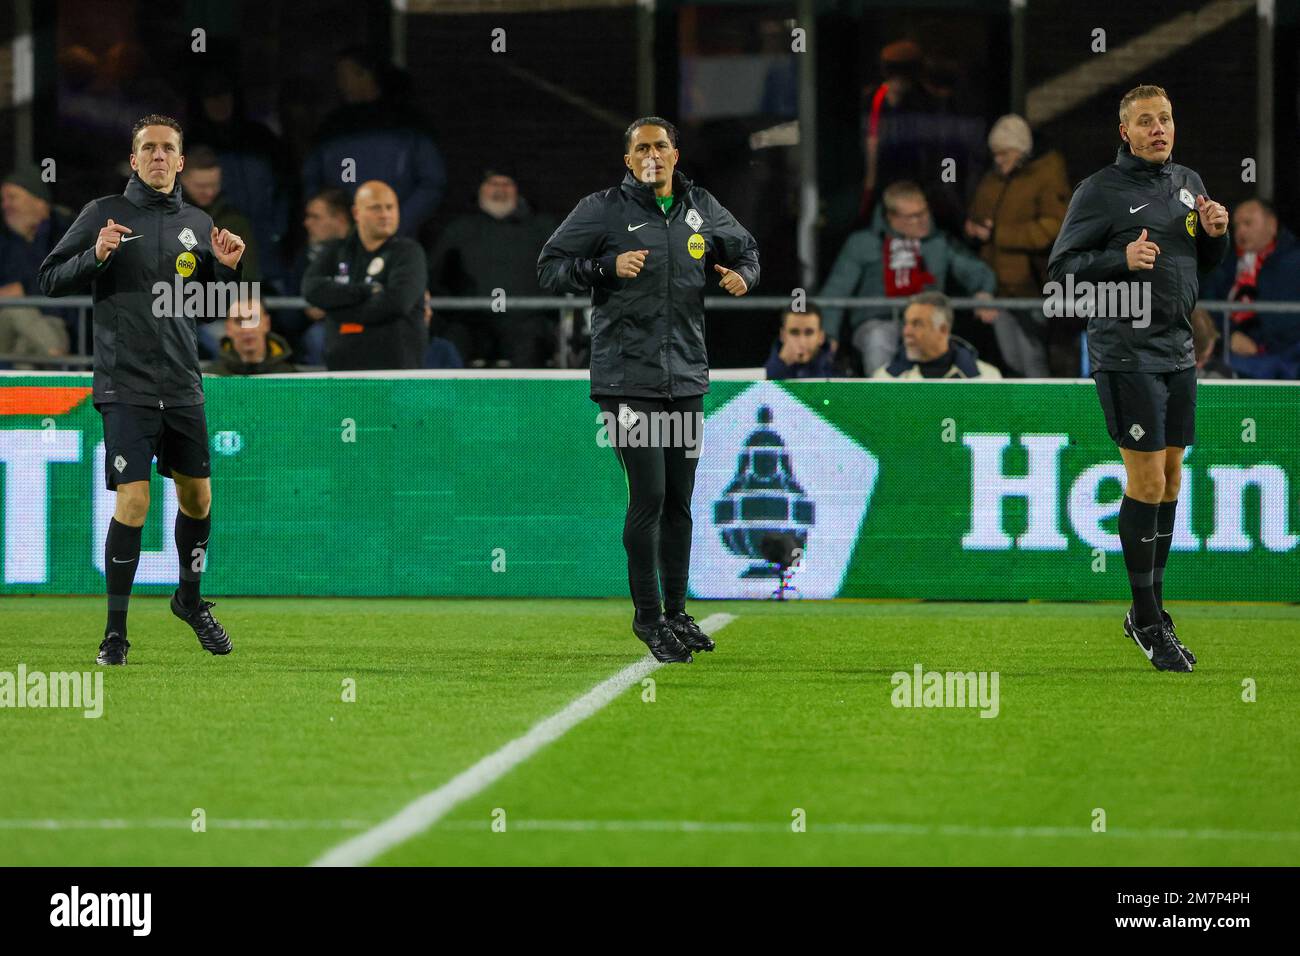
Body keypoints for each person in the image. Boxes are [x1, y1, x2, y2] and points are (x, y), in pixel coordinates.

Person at [538, 115, 759, 663]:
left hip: (684, 377)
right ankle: (648, 616)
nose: (652, 155)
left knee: (681, 502)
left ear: (676, 154)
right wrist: (604, 266)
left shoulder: (700, 208)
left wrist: (743, 276)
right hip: (625, 380)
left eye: (661, 146)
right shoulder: (603, 209)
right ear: (628, 160)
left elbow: (748, 251)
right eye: (642, 148)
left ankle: (679, 613)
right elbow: (549, 267)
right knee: (652, 496)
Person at [37, 114, 245, 666]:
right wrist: (96, 256)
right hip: (125, 384)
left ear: (179, 162)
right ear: (134, 160)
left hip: (181, 384)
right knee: (134, 502)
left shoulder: (199, 223)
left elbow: (207, 309)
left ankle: (190, 600)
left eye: (167, 149)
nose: (157, 156)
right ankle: (115, 633)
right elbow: (50, 280)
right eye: (148, 148)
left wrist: (225, 272)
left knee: (198, 499)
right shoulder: (104, 214)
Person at [1047, 84, 1229, 672]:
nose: (1159, 129)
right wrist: (1116, 262)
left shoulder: (1189, 184)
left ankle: (1151, 608)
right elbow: (1060, 277)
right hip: (1126, 352)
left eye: (1167, 119)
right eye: (1146, 121)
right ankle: (1146, 618)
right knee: (1146, 482)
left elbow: (1197, 264)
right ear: (1124, 132)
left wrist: (1216, 237)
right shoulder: (1100, 191)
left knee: (1172, 480)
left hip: (1178, 351)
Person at [819, 180, 997, 375]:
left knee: (940, 343)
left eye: (924, 212)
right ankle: (884, 402)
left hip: (927, 320)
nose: (923, 220)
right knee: (878, 340)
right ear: (891, 217)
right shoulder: (863, 243)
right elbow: (837, 289)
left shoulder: (939, 242)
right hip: (878, 320)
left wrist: (983, 291)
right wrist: (829, 335)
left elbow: (974, 269)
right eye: (913, 216)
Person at [965, 115, 1072, 377]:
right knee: (1011, 360)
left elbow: (1053, 227)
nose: (998, 160)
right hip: (996, 283)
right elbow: (978, 211)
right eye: (995, 154)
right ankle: (1019, 417)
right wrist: (974, 226)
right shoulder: (994, 178)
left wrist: (999, 234)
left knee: (1032, 357)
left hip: (1030, 284)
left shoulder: (1048, 175)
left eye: (1004, 154)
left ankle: (1044, 415)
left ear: (1021, 151)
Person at [427, 167, 559, 367]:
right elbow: (435, 275)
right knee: (452, 341)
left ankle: (524, 400)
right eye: (493, 184)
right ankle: (449, 399)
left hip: (527, 322)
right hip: (472, 322)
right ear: (480, 190)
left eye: (506, 184)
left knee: (531, 344)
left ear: (517, 191)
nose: (500, 189)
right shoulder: (459, 229)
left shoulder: (542, 229)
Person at [301, 180, 427, 370]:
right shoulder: (336, 250)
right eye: (376, 208)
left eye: (390, 207)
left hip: (394, 374)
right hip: (343, 372)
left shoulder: (408, 253)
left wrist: (335, 310)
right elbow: (311, 289)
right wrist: (366, 291)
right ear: (356, 213)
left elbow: (396, 303)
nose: (385, 214)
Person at [1199, 198, 1300, 379]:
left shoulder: (1294, 262)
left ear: (1272, 224)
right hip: (1229, 351)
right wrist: (1229, 337)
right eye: (1237, 225)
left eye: (1248, 223)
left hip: (1282, 355)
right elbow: (1208, 303)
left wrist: (1257, 343)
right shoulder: (1224, 260)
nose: (1240, 231)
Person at [0, 168, 76, 362]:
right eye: (3, 200)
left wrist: (23, 289)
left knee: (23, 352)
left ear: (38, 201)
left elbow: (69, 277)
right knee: (13, 309)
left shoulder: (65, 232)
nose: (5, 205)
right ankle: (56, 354)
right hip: (6, 327)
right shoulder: (6, 242)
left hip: (56, 324)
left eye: (12, 198)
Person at [871, 291, 1001, 379]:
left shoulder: (987, 378)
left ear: (943, 330)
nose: (907, 332)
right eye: (906, 323)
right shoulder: (884, 380)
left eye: (917, 324)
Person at [205, 296, 297, 375]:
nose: (247, 329)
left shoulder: (291, 379)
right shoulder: (209, 380)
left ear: (267, 323)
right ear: (228, 328)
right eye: (238, 321)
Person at [766, 309, 836, 379]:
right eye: (794, 332)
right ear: (783, 336)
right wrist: (780, 365)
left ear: (821, 337)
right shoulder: (764, 375)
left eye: (809, 333)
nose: (801, 342)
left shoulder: (837, 372)